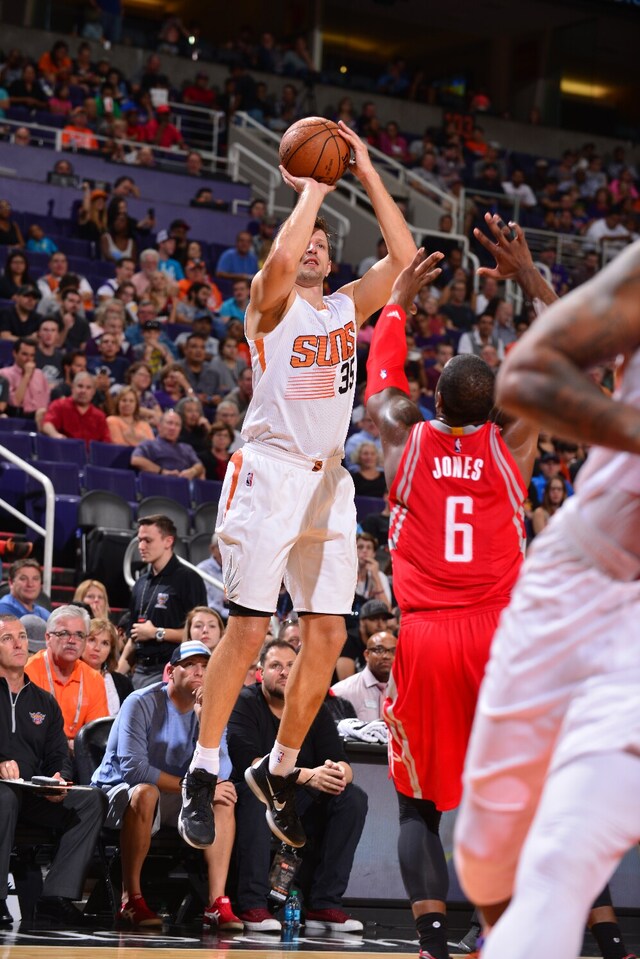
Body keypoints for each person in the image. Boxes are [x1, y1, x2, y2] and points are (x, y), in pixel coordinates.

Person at [179, 119, 416, 853]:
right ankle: (202, 766)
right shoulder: (267, 300)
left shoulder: (347, 305)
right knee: (249, 626)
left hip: (329, 484)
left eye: (321, 241)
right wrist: (313, 188)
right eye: (303, 239)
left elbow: (404, 259)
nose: (312, 246)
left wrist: (368, 173)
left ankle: (278, 768)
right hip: (269, 471)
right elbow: (283, 254)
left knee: (330, 631)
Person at [364, 215, 555, 959]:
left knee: (418, 802)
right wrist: (531, 278)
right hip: (499, 637)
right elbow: (563, 352)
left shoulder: (403, 434)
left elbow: (382, 377)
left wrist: (397, 303)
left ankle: (433, 941)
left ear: (433, 399)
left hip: (428, 635)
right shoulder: (515, 437)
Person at [453, 235, 640, 959]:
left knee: (567, 849)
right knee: (486, 856)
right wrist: (533, 279)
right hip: (573, 574)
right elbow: (532, 373)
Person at [92, 640, 241, 930]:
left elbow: (221, 771)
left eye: (206, 667)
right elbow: (135, 770)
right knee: (146, 792)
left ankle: (216, 903)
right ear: (170, 671)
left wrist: (205, 722)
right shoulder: (141, 702)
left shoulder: (212, 708)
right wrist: (195, 788)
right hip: (116, 793)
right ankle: (130, 899)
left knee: (224, 798)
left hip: (174, 793)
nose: (199, 672)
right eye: (190, 666)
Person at [228, 638, 367, 932]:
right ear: (260, 672)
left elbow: (344, 765)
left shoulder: (313, 707)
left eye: (292, 666)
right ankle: (252, 904)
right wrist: (306, 774)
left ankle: (324, 904)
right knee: (255, 795)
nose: (284, 672)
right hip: (258, 794)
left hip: (300, 801)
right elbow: (251, 763)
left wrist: (335, 772)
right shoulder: (245, 702)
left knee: (352, 798)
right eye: (275, 666)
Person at [0, 614, 107, 929]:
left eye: (21, 636)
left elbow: (58, 753)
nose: (19, 643)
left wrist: (57, 778)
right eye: (8, 638)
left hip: (32, 792)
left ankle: (55, 898)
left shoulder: (44, 701)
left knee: (92, 800)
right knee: (4, 798)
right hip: (2, 791)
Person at [127, 515, 207, 687]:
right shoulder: (140, 583)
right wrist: (118, 672)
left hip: (171, 670)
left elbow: (199, 634)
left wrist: (157, 633)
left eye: (148, 540)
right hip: (139, 670)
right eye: (140, 540)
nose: (141, 546)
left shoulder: (188, 579)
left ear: (168, 541)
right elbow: (133, 636)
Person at [26, 605, 109, 745]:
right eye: (64, 633)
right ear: (48, 638)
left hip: (78, 758)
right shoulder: (27, 673)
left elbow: (96, 738)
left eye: (79, 635)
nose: (72, 640)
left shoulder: (94, 680)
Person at [331, 629, 396, 722]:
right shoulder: (343, 691)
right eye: (379, 650)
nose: (386, 656)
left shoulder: (406, 691)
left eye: (393, 651)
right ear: (366, 655)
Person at [130, 409, 205, 479]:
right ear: (159, 426)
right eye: (169, 423)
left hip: (183, 485)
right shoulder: (148, 444)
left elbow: (199, 465)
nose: (173, 428)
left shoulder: (187, 448)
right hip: (158, 484)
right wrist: (162, 471)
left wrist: (193, 471)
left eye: (177, 425)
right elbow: (136, 460)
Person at [41, 371, 111, 446]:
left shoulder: (100, 416)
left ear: (93, 392)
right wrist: (55, 434)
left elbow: (106, 442)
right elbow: (47, 424)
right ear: (72, 388)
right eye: (80, 386)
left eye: (88, 388)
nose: (83, 391)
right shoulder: (59, 405)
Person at [81, 617, 133, 715]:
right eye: (92, 640)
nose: (97, 648)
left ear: (110, 650)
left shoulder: (123, 683)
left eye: (105, 643)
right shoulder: (68, 678)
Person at [0, 336, 50, 420]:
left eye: (32, 355)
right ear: (15, 353)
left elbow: (46, 402)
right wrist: (27, 375)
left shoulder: (40, 374)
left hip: (39, 419)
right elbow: (15, 402)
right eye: (24, 354)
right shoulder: (4, 374)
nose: (28, 359)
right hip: (16, 418)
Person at [196, 535, 227, 621]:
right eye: (223, 547)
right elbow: (208, 605)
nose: (227, 552)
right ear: (213, 549)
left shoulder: (237, 568)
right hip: (216, 618)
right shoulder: (202, 571)